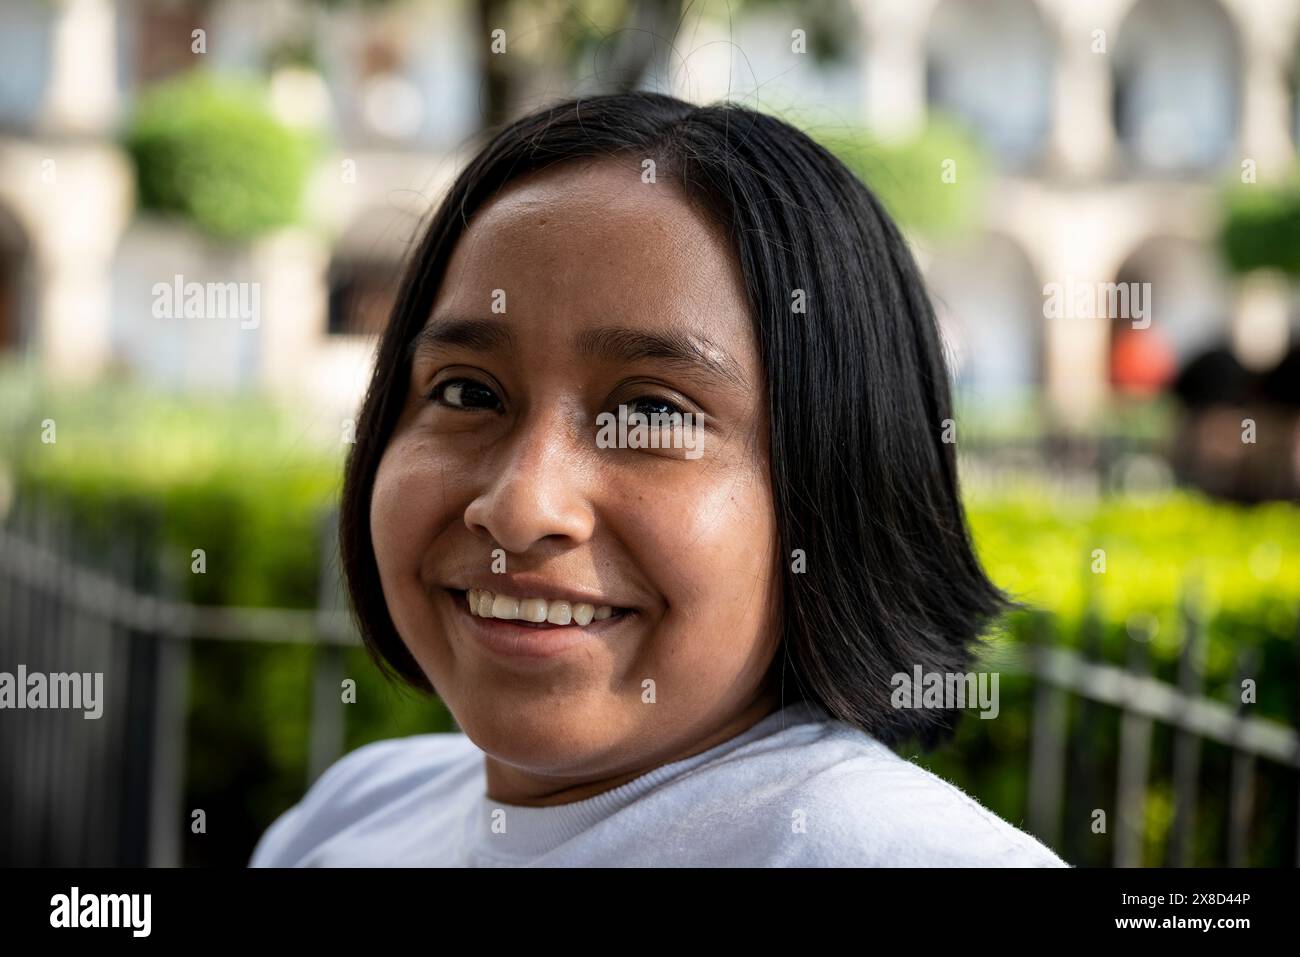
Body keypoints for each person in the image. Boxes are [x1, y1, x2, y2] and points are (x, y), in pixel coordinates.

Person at [250, 92, 1067, 867]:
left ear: (837, 481)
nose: (519, 506)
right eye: (467, 392)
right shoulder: (356, 809)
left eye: (652, 414)